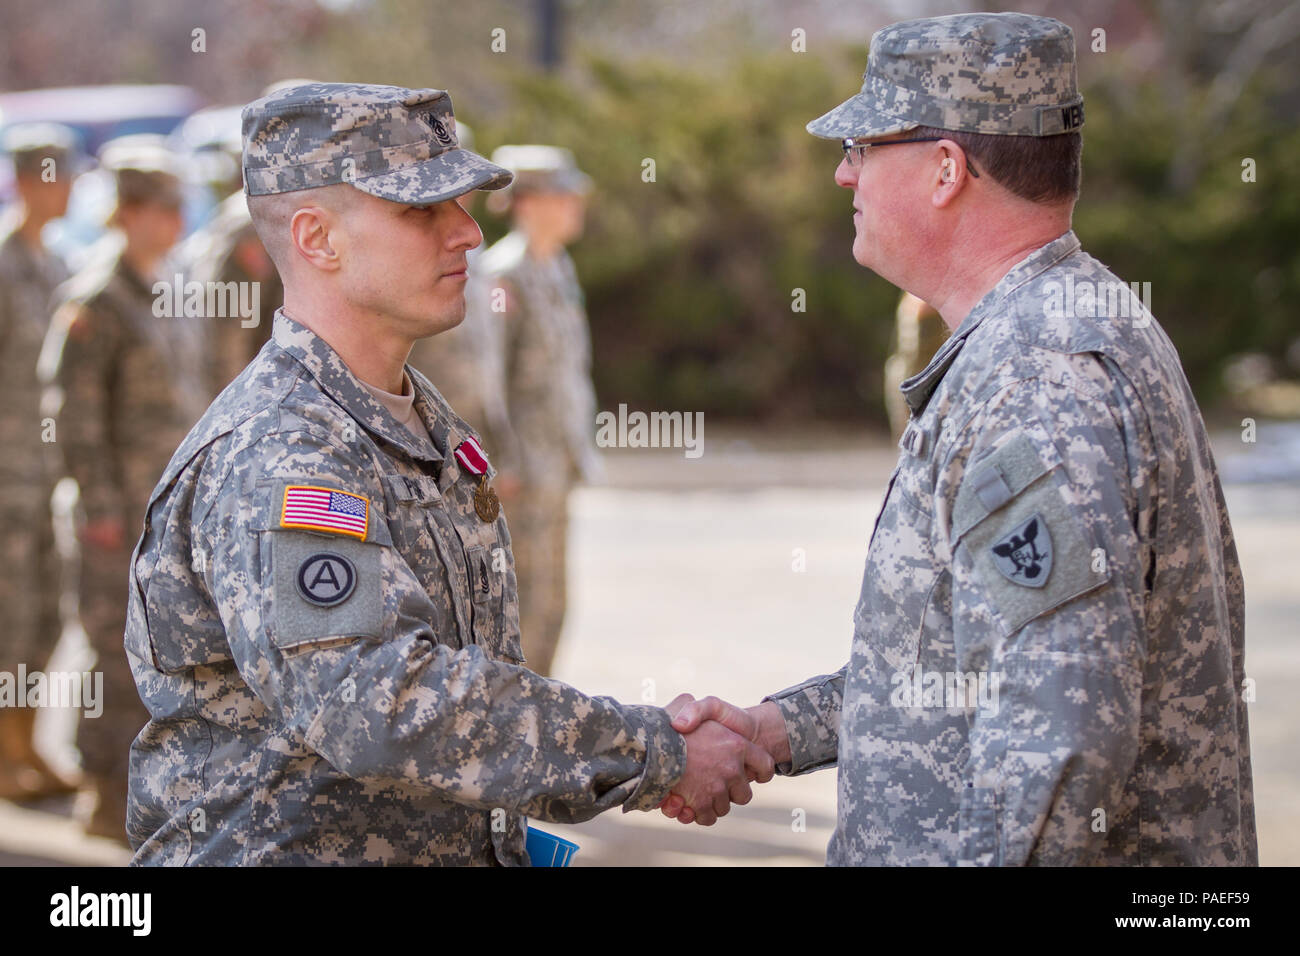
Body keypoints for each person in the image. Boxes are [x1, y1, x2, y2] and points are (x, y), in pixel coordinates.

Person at [664, 12, 1257, 866]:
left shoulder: (1036, 378)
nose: (843, 174)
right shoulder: (1052, 328)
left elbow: (1058, 739)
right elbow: (968, 666)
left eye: (864, 147)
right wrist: (778, 728)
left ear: (946, 169)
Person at [124, 82, 770, 865]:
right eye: (420, 211)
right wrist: (653, 750)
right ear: (318, 239)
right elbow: (380, 702)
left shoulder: (420, 420)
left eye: (460, 204)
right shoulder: (282, 451)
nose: (466, 232)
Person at [40, 136, 209, 842]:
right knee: (111, 652)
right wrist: (103, 507)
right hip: (116, 516)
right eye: (159, 210)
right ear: (126, 212)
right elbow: (70, 414)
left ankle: (149, 789)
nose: (173, 223)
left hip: (167, 512)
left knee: (166, 651)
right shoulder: (95, 299)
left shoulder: (170, 289)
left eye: (177, 209)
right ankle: (104, 790)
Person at [477, 145, 599, 677]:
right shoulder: (503, 276)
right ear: (527, 202)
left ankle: (544, 713)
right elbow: (487, 382)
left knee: (553, 603)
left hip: (557, 464)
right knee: (519, 609)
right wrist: (500, 465)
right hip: (520, 474)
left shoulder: (558, 268)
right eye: (563, 194)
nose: (576, 203)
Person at [0, 123, 80, 800]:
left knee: (47, 612)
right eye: (58, 176)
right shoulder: (2, 263)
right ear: (27, 179)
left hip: (47, 469)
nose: (71, 190)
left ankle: (25, 740)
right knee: (8, 609)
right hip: (4, 474)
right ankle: (5, 752)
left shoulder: (57, 264)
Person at [883, 292, 948, 443]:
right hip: (915, 376)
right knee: (909, 439)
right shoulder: (921, 298)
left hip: (919, 375)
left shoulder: (915, 297)